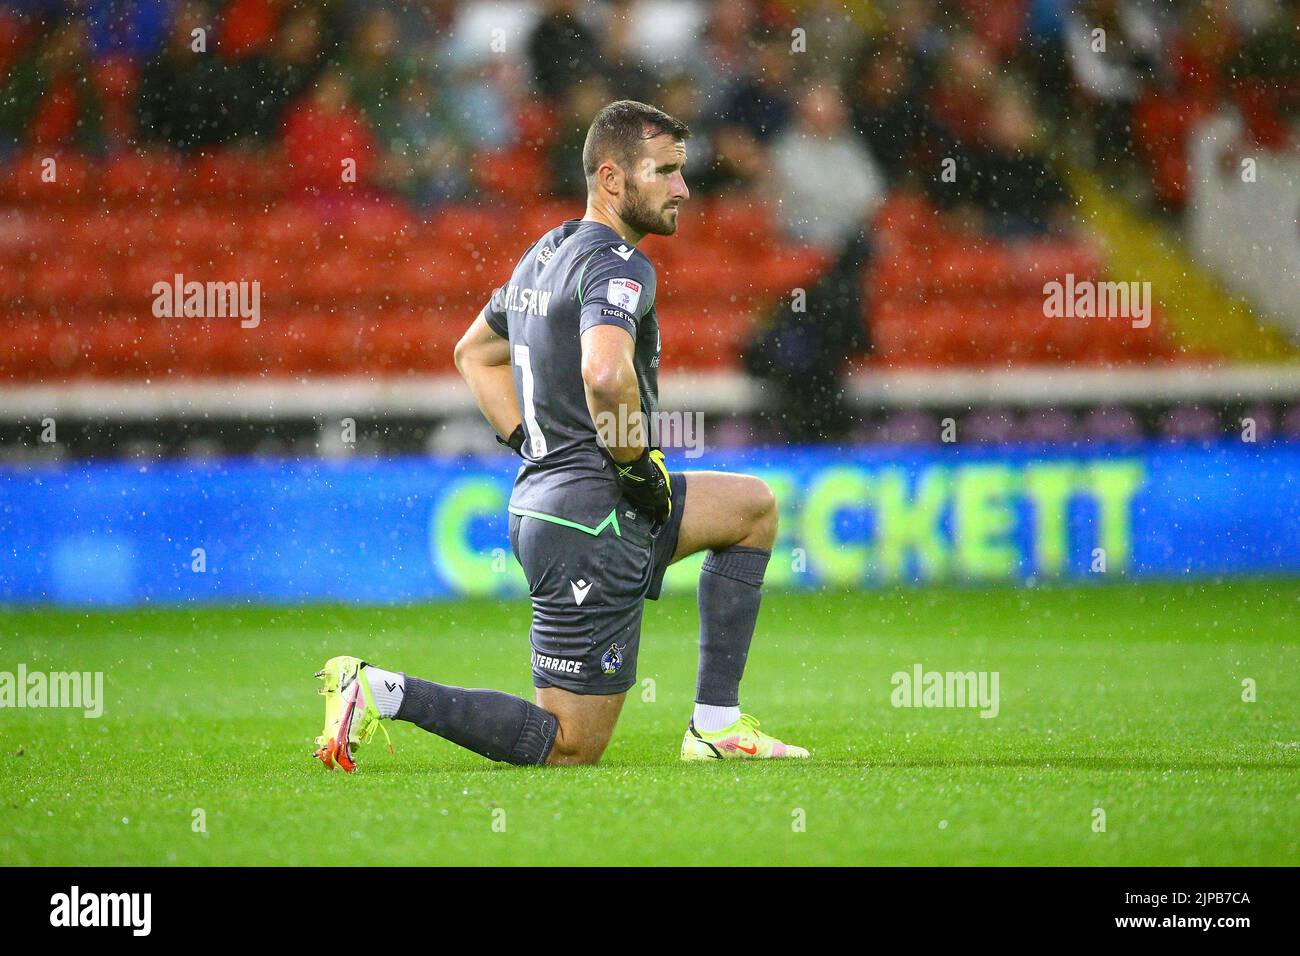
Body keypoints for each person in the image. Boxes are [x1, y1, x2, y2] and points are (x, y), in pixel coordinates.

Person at [311, 100, 808, 768]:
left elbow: (473, 353)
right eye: (664, 172)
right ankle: (377, 689)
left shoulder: (547, 252)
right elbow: (604, 372)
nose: (683, 189)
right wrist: (635, 466)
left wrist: (533, 442)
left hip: (559, 501)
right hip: (592, 521)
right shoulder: (619, 265)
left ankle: (715, 726)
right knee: (570, 746)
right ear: (611, 179)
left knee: (751, 509)